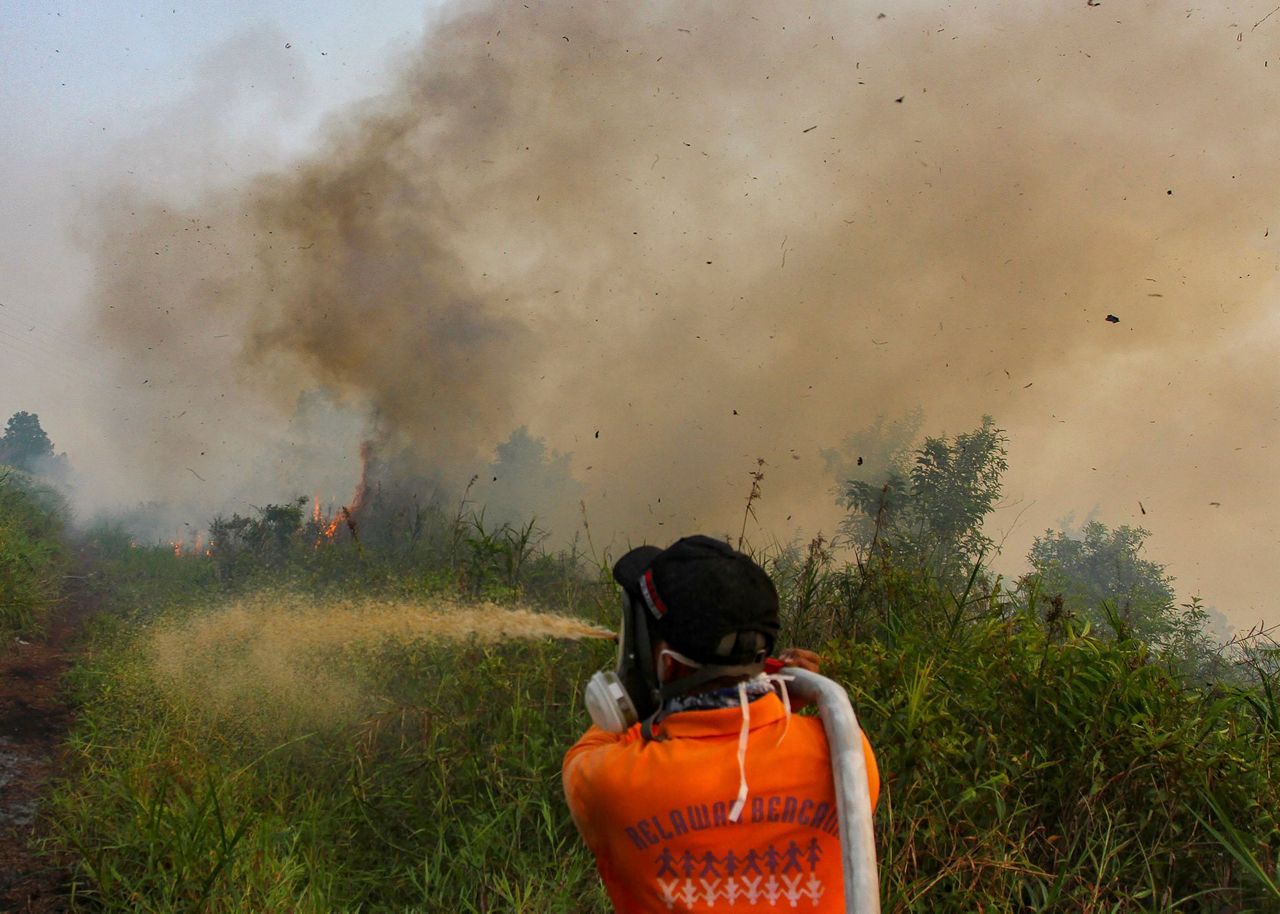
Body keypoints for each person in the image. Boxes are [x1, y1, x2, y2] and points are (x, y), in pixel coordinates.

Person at [563, 534, 879, 913]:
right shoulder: (845, 754)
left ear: (668, 664)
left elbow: (594, 747)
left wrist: (632, 694)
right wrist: (777, 700)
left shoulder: (612, 782)